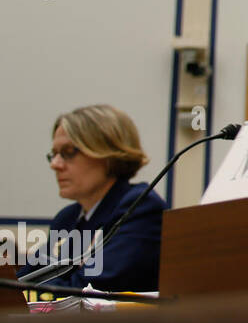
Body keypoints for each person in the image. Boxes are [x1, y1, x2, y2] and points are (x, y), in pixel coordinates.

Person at [26, 104, 165, 292]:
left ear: (108, 154)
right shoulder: (67, 218)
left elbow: (86, 290)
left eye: (68, 152)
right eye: (54, 154)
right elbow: (22, 282)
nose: (55, 165)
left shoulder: (140, 208)